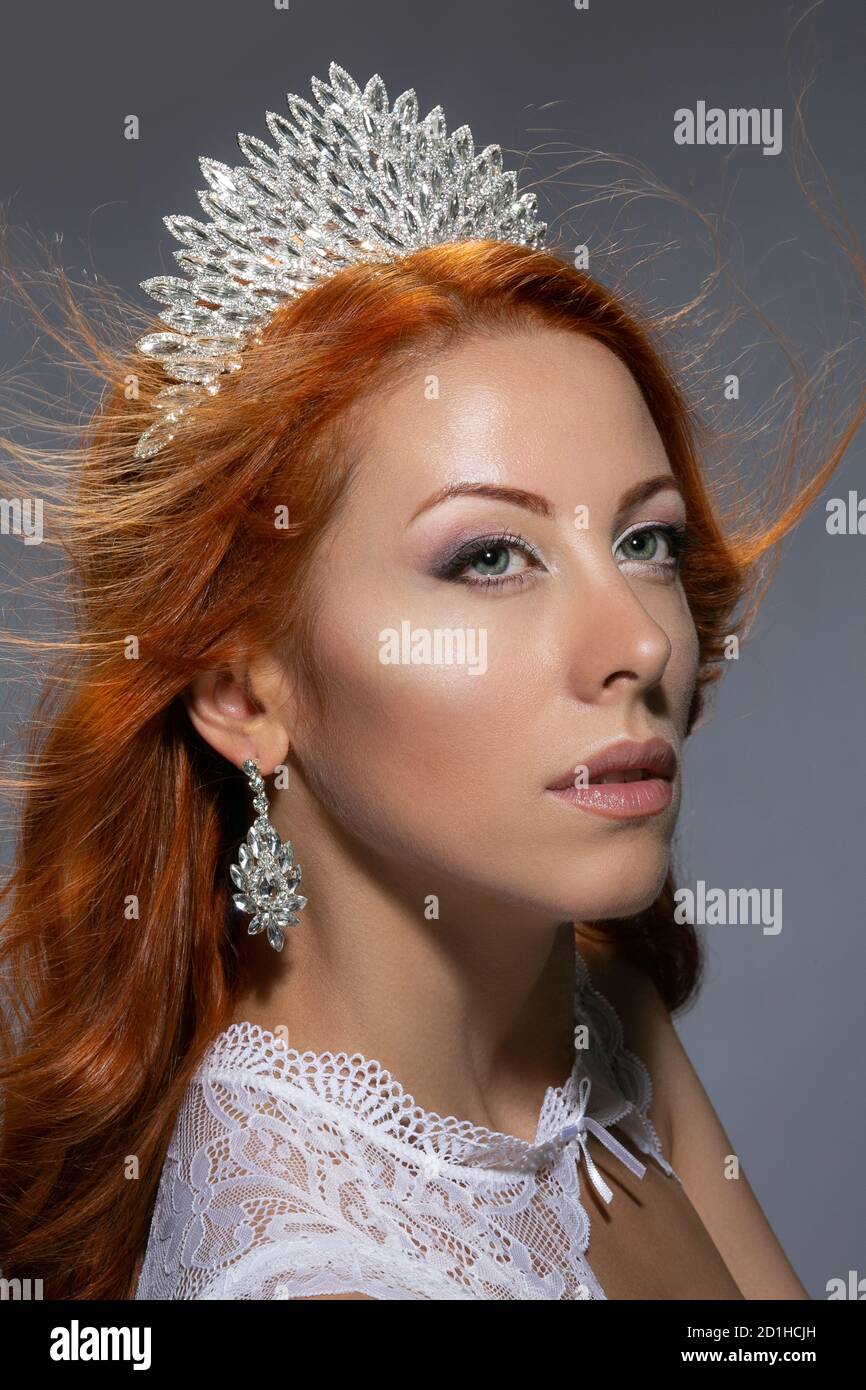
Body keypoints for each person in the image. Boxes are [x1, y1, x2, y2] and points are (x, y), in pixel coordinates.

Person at [0, 62, 859, 1300]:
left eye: (644, 538)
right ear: (242, 692)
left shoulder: (587, 1021)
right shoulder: (318, 1276)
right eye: (488, 556)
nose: (639, 640)